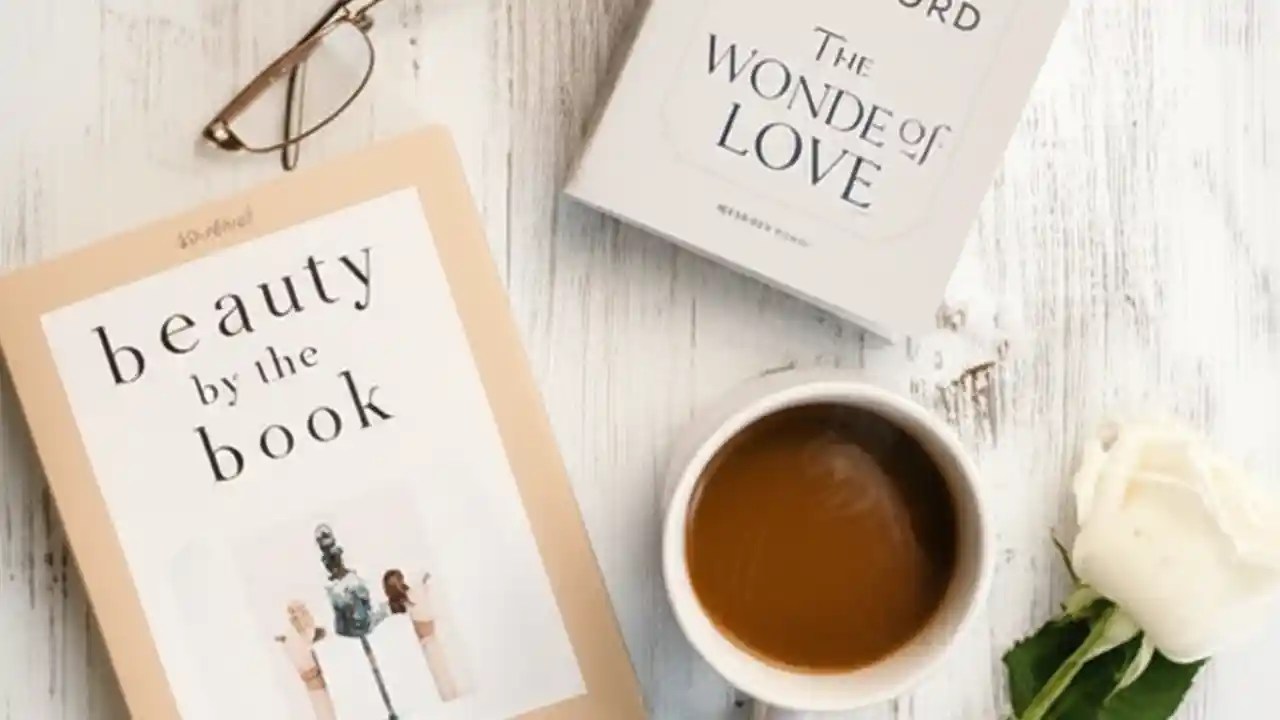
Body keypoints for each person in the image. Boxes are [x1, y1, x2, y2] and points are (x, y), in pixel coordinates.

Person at [383, 569, 464, 701]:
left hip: (431, 635)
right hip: (421, 642)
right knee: (437, 671)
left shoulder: (413, 593)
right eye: (393, 583)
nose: (397, 584)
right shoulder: (396, 605)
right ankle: (448, 695)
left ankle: (453, 693)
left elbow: (423, 594)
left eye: (398, 580)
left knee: (444, 667)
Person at [274, 600, 337, 720]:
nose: (298, 617)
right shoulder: (291, 641)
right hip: (314, 695)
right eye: (294, 614)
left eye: (303, 612)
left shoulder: (317, 636)